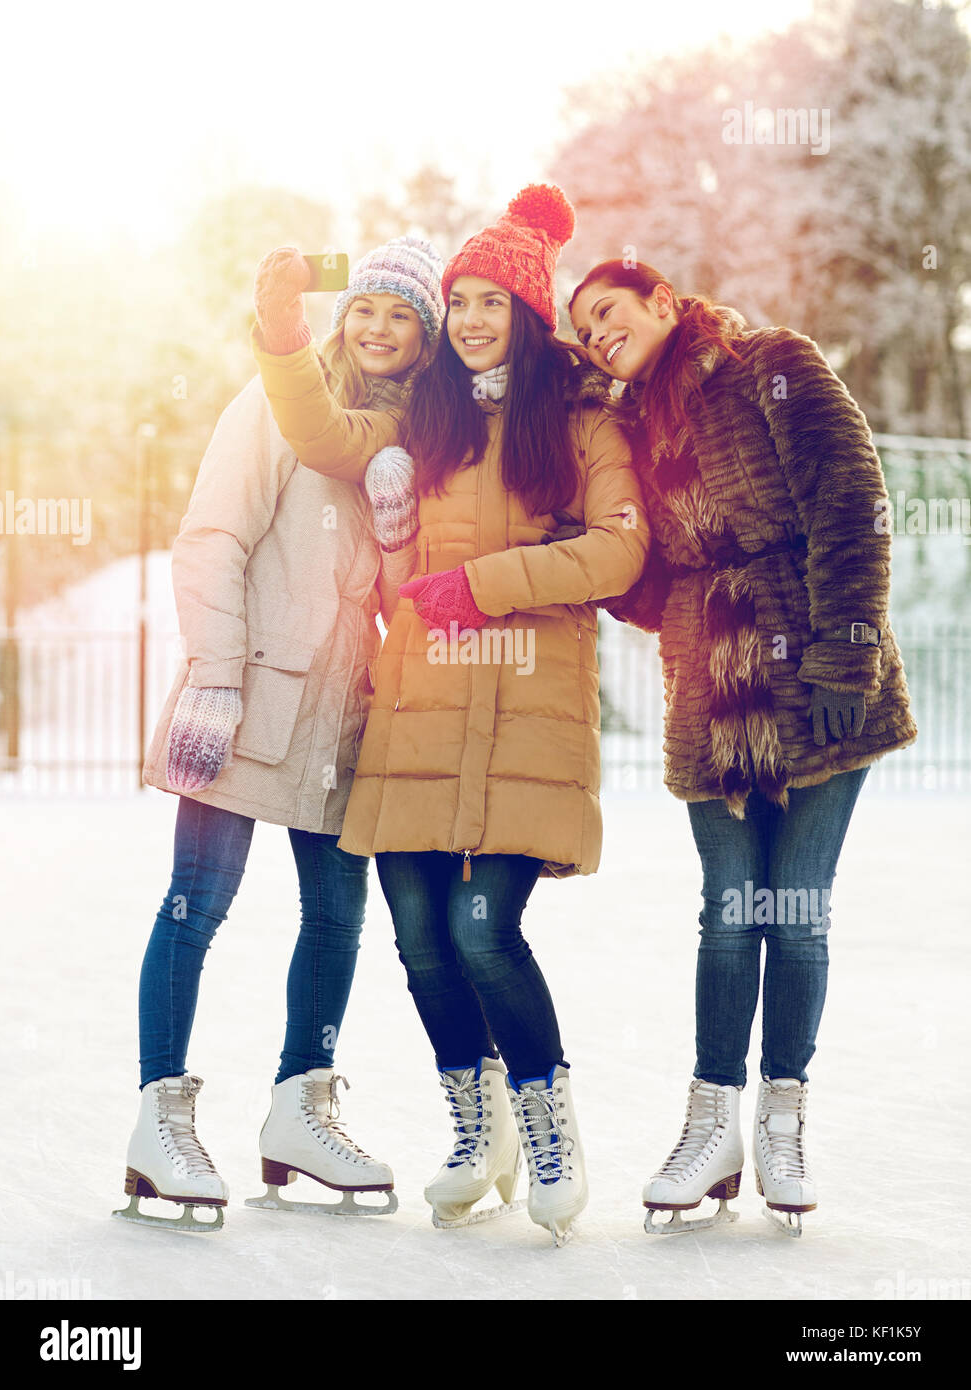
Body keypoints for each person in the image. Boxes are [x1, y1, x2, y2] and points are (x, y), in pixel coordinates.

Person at [251, 185, 649, 1245]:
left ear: (528, 309)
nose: (471, 318)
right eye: (459, 299)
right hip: (417, 709)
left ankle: (546, 1121)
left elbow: (620, 549)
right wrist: (287, 337)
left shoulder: (579, 417)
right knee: (422, 939)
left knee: (485, 928)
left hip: (526, 711)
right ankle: (478, 1128)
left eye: (491, 300)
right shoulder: (420, 414)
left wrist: (489, 584)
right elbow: (322, 429)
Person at [569, 259, 917, 1236]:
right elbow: (649, 577)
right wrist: (604, 554)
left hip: (814, 667)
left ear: (663, 303)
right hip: (710, 683)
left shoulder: (774, 364)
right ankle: (709, 1124)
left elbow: (850, 497)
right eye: (584, 330)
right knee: (728, 911)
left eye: (610, 313)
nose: (599, 335)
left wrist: (847, 648)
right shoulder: (633, 428)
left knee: (796, 911)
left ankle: (782, 1121)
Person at [114, 237, 444, 1232]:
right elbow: (212, 536)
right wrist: (216, 673)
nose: (380, 328)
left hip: (343, 720)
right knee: (194, 906)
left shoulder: (403, 445)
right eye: (369, 308)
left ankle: (302, 1103)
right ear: (343, 317)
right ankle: (158, 1120)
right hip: (247, 701)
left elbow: (397, 599)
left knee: (337, 916)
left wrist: (398, 535)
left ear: (423, 343)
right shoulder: (275, 399)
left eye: (404, 317)